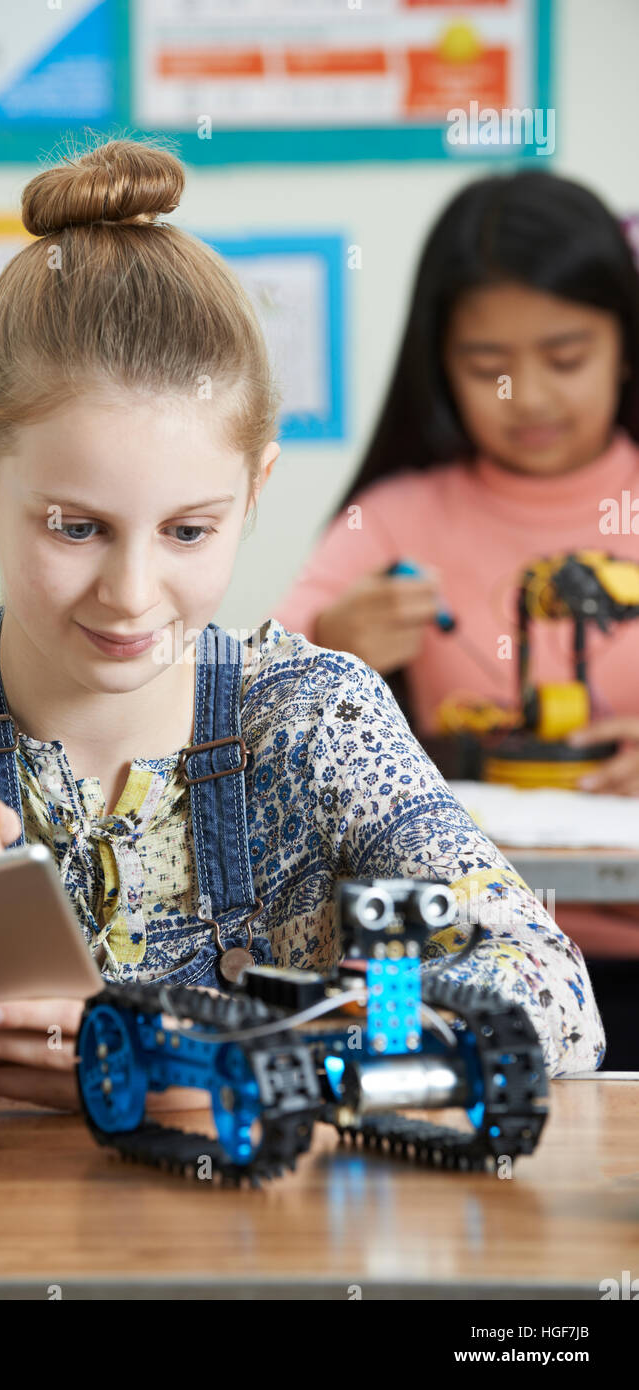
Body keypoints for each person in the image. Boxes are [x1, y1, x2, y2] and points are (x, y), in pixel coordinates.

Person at [0, 141, 603, 1113]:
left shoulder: (315, 716)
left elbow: (554, 1004)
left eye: (188, 530)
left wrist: (226, 1061)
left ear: (254, 494)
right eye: (76, 527)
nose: (131, 591)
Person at [275, 169, 639, 1065]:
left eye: (565, 356)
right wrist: (333, 647)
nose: (531, 397)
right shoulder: (396, 517)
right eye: (489, 367)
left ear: (626, 345)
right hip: (452, 967)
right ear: (439, 362)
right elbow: (250, 681)